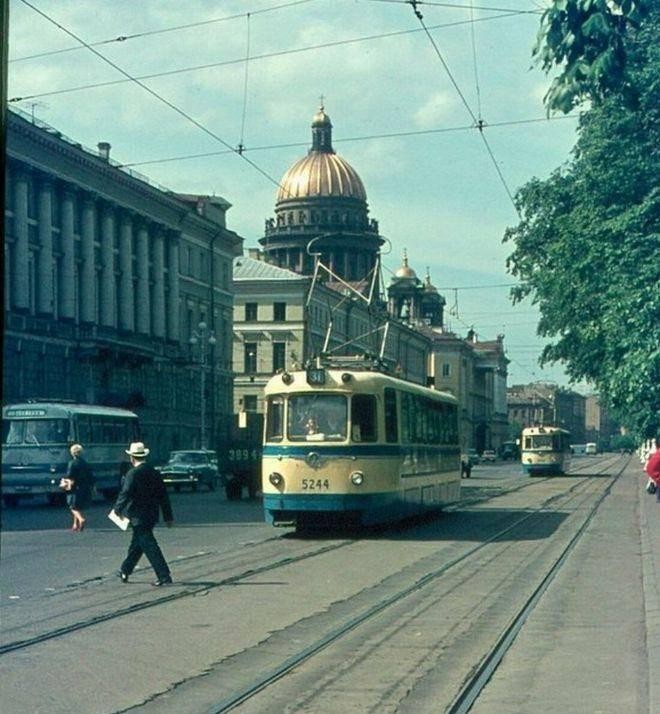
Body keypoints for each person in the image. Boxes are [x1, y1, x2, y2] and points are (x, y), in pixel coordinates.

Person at [113, 442, 174, 586]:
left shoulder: (132, 473)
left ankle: (164, 576)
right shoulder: (154, 472)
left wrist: (117, 509)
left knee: (150, 546)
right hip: (152, 514)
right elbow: (163, 496)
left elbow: (125, 493)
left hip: (137, 515)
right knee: (137, 544)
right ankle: (125, 569)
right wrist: (168, 516)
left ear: (132, 458)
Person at [62, 443, 94, 531]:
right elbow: (90, 476)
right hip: (84, 487)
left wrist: (64, 482)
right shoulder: (85, 463)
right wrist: (93, 486)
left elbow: (69, 475)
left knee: (72, 506)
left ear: (72, 453)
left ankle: (81, 519)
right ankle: (75, 524)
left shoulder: (72, 463)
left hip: (74, 487)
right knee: (78, 506)